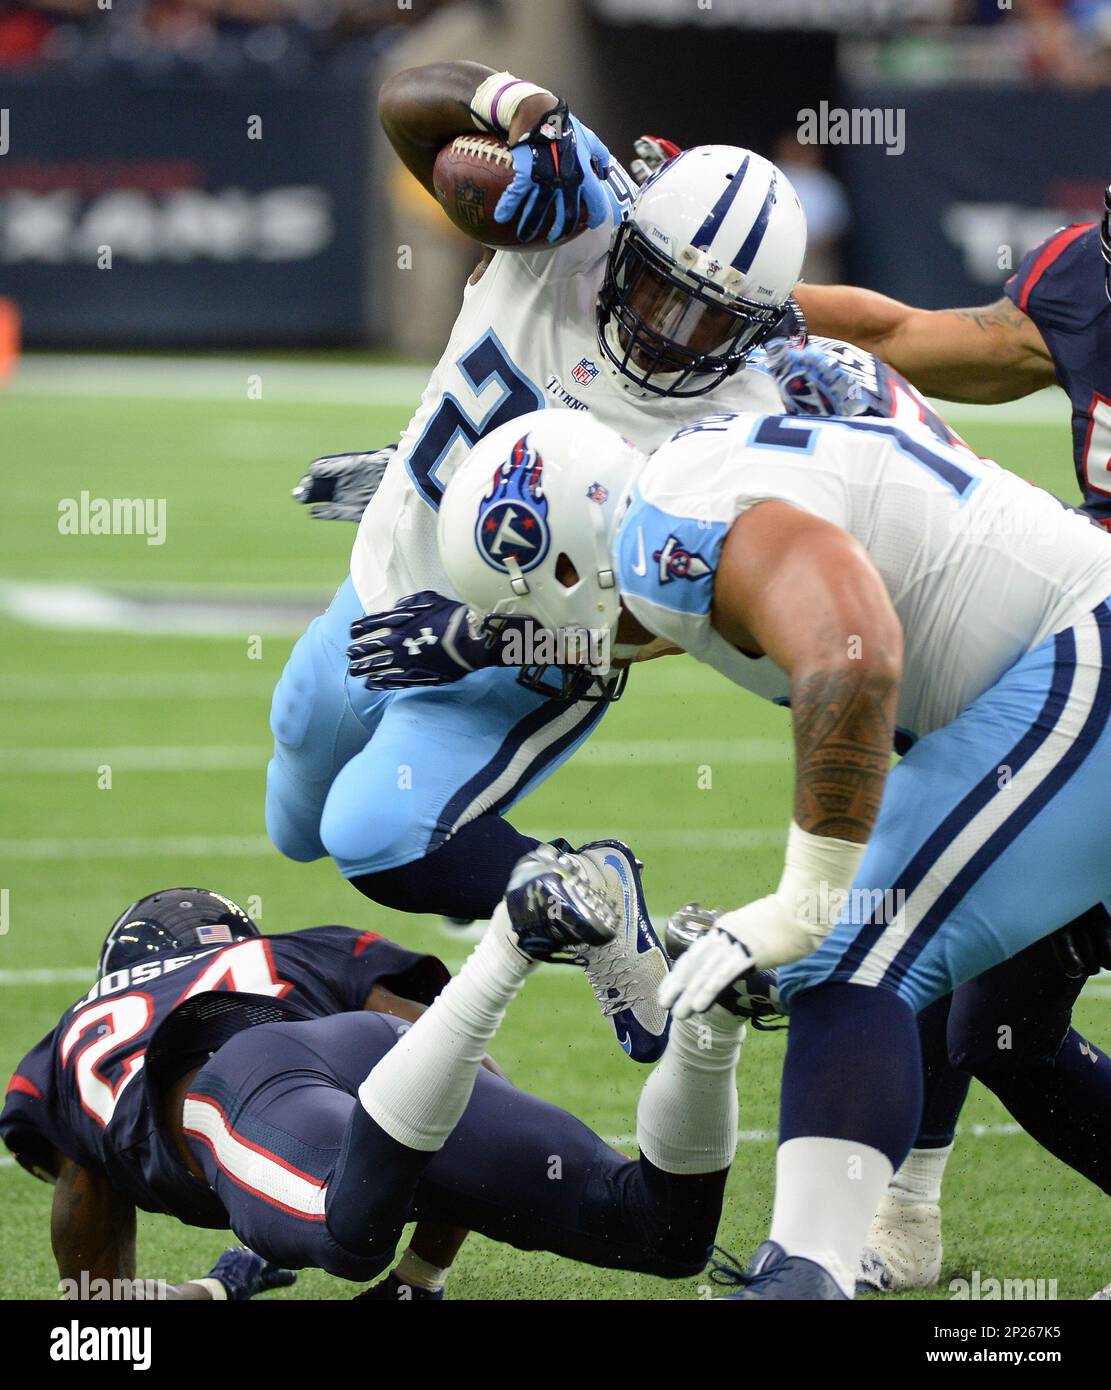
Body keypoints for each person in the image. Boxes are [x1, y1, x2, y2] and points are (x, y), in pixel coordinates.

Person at [435, 403, 1111, 1299]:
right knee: (986, 1014)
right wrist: (479, 639)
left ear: (560, 558)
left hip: (1084, 658)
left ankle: (805, 1272)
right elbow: (701, 614)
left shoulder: (664, 536)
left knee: (852, 943)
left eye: (521, 603)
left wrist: (807, 897)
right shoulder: (678, 490)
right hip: (1061, 654)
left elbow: (851, 653)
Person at [264, 60, 807, 1064]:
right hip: (387, 575)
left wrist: (480, 635)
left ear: (757, 331)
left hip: (520, 658)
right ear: (630, 235)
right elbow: (406, 100)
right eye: (657, 289)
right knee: (289, 806)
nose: (664, 329)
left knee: (373, 837)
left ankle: (599, 898)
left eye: (707, 321)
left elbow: (674, 623)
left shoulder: (738, 429)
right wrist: (527, 112)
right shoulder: (580, 212)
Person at [783, 185, 1111, 1289]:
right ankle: (904, 1214)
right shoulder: (1079, 278)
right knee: (989, 1020)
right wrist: (720, 284)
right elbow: (896, 338)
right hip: (1088, 672)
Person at [1, 870, 756, 1299]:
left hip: (230, 1084)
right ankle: (712, 1018)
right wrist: (421, 1276)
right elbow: (459, 1070)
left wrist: (210, 1291)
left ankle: (507, 946)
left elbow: (97, 1311)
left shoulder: (75, 1038)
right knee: (662, 1232)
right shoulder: (296, 952)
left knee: (348, 1234)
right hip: (376, 1049)